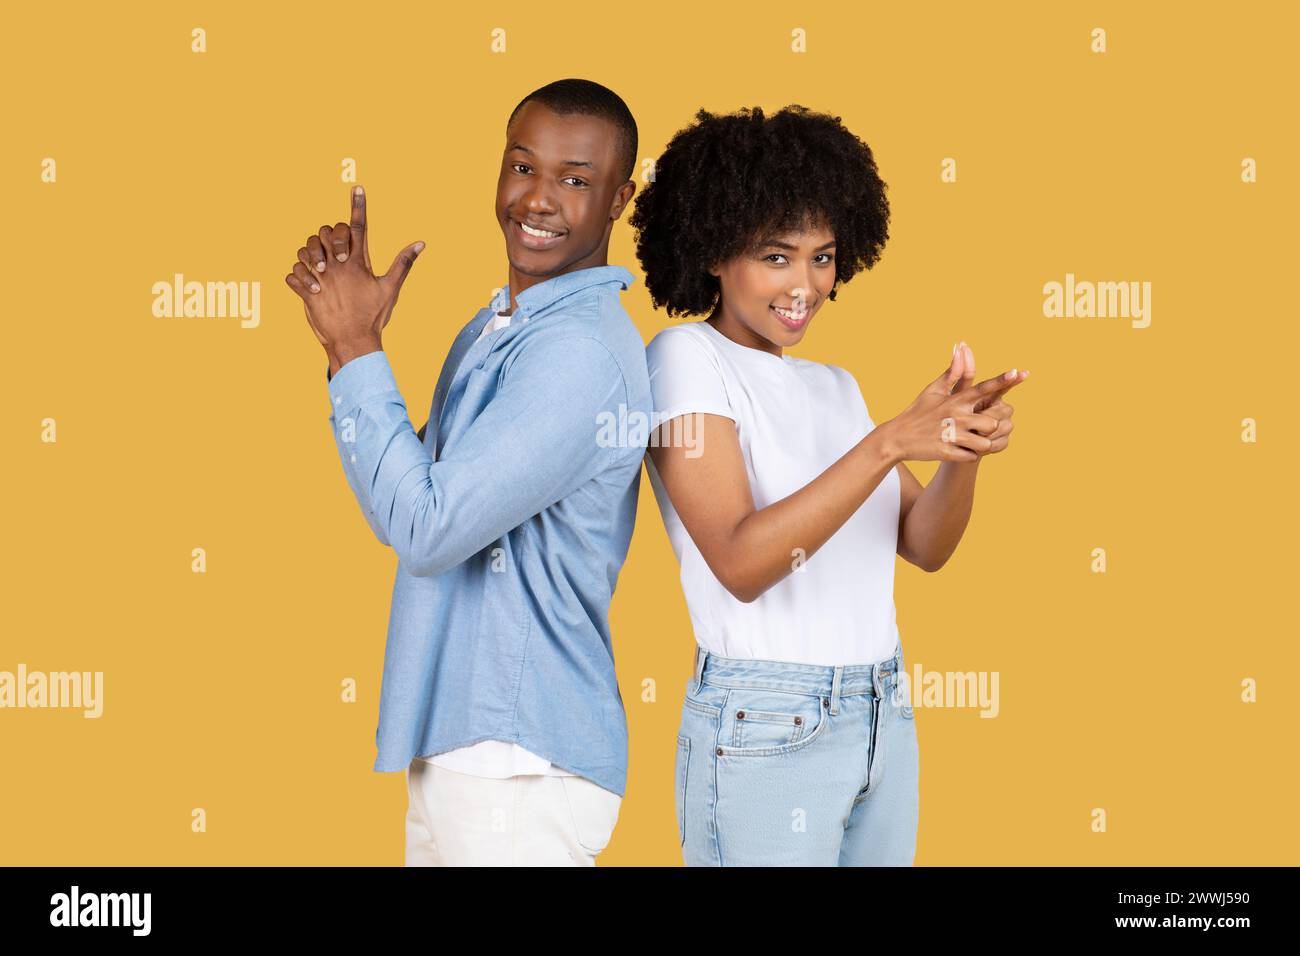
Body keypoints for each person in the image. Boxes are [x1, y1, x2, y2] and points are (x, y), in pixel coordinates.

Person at [629, 104, 1028, 866]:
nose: (805, 284)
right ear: (714, 250)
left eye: (823, 256)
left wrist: (958, 450)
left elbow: (924, 546)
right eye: (776, 256)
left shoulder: (835, 386)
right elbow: (741, 563)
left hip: (882, 707)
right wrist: (889, 443)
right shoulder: (683, 359)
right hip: (767, 721)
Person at [285, 79, 650, 865]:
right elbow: (404, 507)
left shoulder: (578, 354)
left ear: (622, 197)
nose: (539, 200)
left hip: (517, 764)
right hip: (465, 750)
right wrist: (346, 345)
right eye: (523, 167)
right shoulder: (496, 330)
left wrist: (357, 351)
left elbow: (426, 528)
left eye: (576, 180)